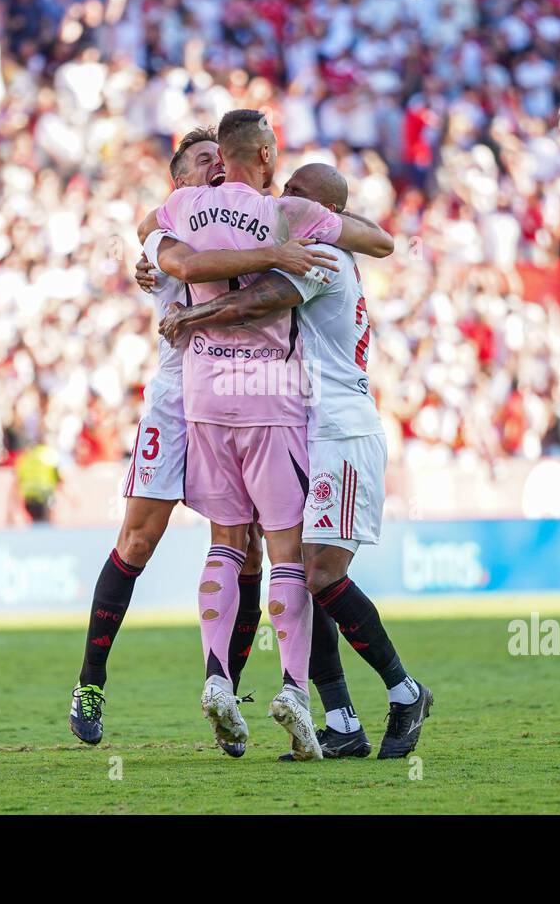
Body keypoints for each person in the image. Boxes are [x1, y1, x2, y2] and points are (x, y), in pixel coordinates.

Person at [68, 127, 340, 753]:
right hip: (179, 398)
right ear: (181, 179)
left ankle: (229, 692)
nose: (214, 167)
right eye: (200, 161)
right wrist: (280, 253)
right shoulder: (172, 227)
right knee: (140, 538)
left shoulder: (246, 218)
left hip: (220, 396)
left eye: (218, 158)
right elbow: (175, 257)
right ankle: (90, 683)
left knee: (243, 547)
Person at [158, 162, 432, 760]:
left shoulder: (323, 259)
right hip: (314, 427)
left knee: (320, 573)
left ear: (325, 214)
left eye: (298, 197)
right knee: (304, 576)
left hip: (343, 431)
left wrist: (187, 314)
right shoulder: (312, 247)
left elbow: (254, 304)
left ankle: (406, 691)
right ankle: (341, 721)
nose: (283, 203)